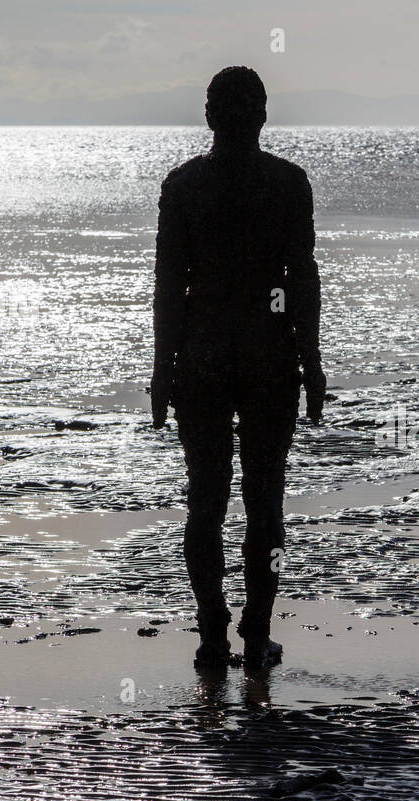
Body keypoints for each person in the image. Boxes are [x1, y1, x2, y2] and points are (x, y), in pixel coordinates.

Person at [151, 65, 326, 669]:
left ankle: (212, 636)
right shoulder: (286, 183)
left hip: (201, 358)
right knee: (264, 503)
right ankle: (253, 635)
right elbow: (300, 281)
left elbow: (171, 288)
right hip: (268, 358)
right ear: (261, 116)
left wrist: (161, 369)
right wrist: (313, 363)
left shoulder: (184, 186)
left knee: (206, 499)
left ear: (209, 117)